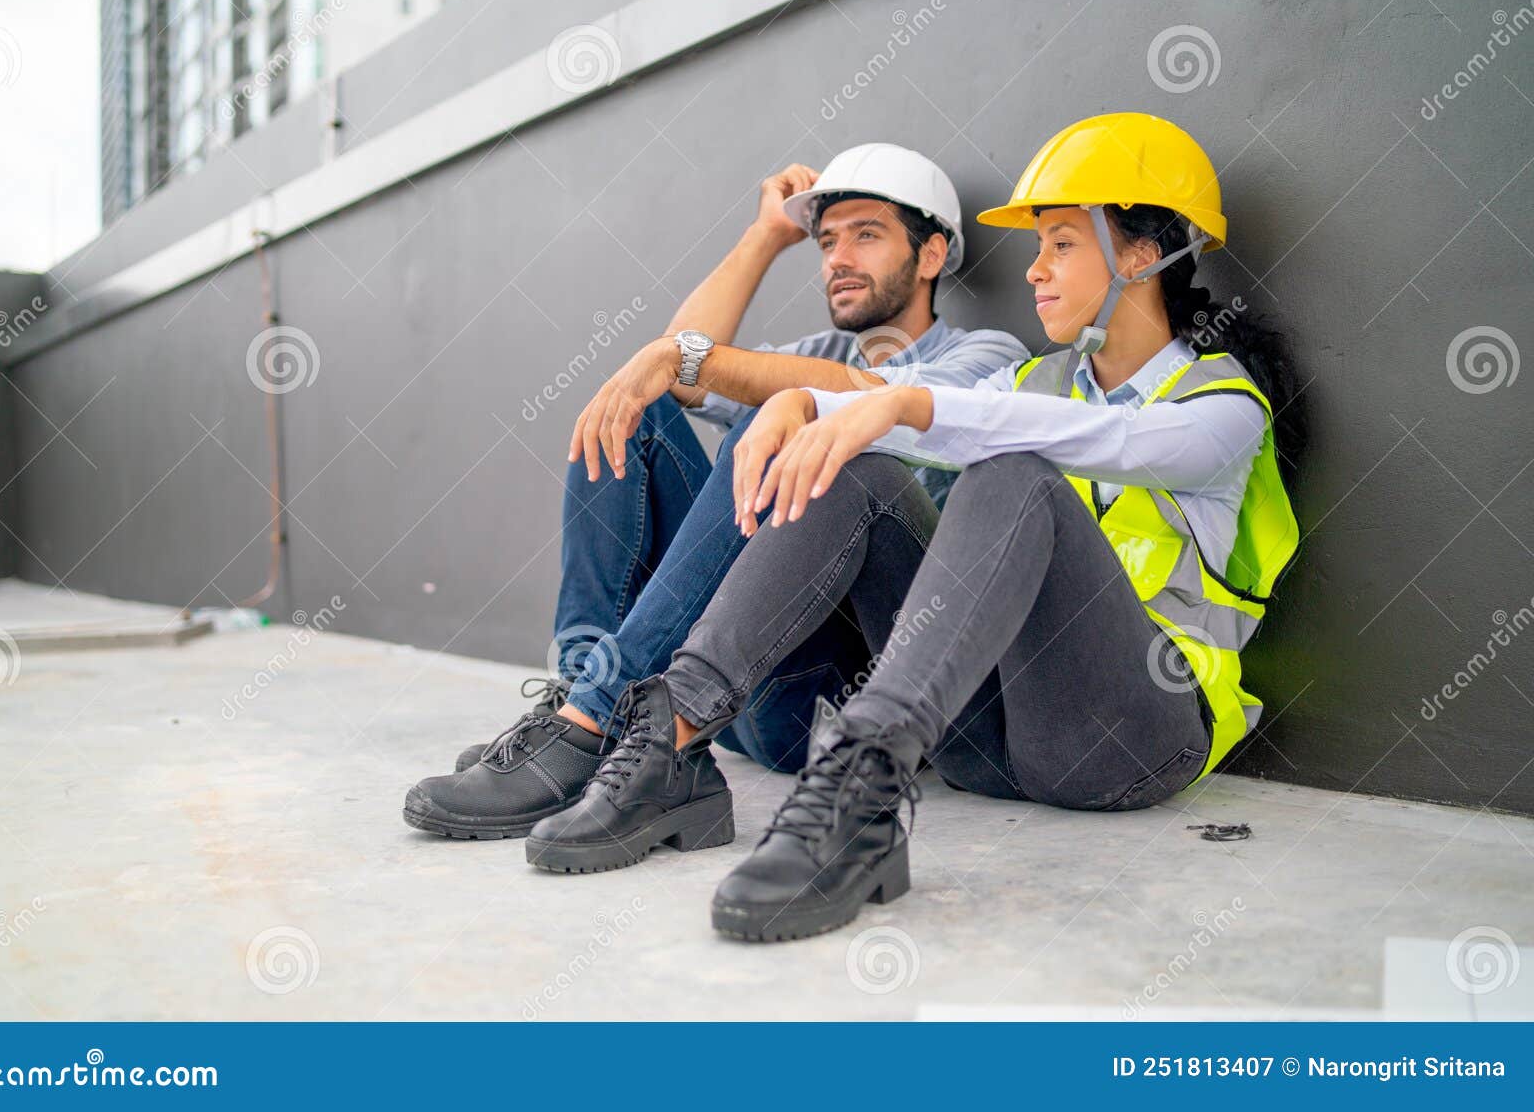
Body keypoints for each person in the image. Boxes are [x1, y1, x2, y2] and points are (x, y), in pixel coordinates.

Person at [523, 112, 1302, 943]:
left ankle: (862, 784)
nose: (1034, 269)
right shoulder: (1033, 377)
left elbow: (1107, 440)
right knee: (851, 463)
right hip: (985, 738)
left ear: (1143, 254)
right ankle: (671, 737)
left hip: (1132, 737)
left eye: (1064, 244)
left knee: (1014, 468)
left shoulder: (1222, 407)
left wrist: (894, 400)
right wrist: (807, 406)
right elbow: (903, 423)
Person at [404, 144, 1027, 840]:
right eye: (826, 241)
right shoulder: (817, 351)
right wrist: (764, 237)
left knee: (781, 413)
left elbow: (878, 399)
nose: (838, 259)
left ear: (933, 255)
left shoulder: (989, 358)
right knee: (634, 409)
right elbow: (676, 366)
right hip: (729, 685)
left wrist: (718, 371)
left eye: (867, 235)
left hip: (830, 690)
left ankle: (591, 719)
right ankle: (587, 705)